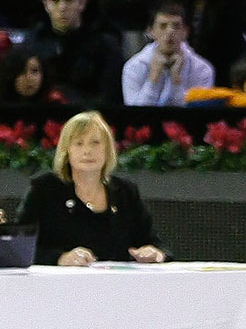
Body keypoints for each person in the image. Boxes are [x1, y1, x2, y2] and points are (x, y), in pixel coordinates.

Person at [17, 111, 166, 266]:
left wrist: (155, 253)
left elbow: (155, 244)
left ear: (107, 149)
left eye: (95, 143)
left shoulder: (126, 192)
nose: (87, 151)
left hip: (117, 280)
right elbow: (19, 248)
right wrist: (60, 258)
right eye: (79, 143)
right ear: (67, 151)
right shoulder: (44, 189)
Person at [30, 0, 122, 108]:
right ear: (46, 5)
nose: (62, 7)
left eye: (69, 0)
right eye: (55, 1)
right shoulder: (33, 44)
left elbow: (111, 97)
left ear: (82, 3)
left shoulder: (105, 45)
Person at [122, 0, 215, 105]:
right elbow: (134, 111)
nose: (170, 31)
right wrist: (153, 80)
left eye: (176, 26)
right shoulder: (133, 67)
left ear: (186, 32)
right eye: (163, 26)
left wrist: (177, 82)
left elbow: (196, 112)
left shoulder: (202, 69)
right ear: (151, 31)